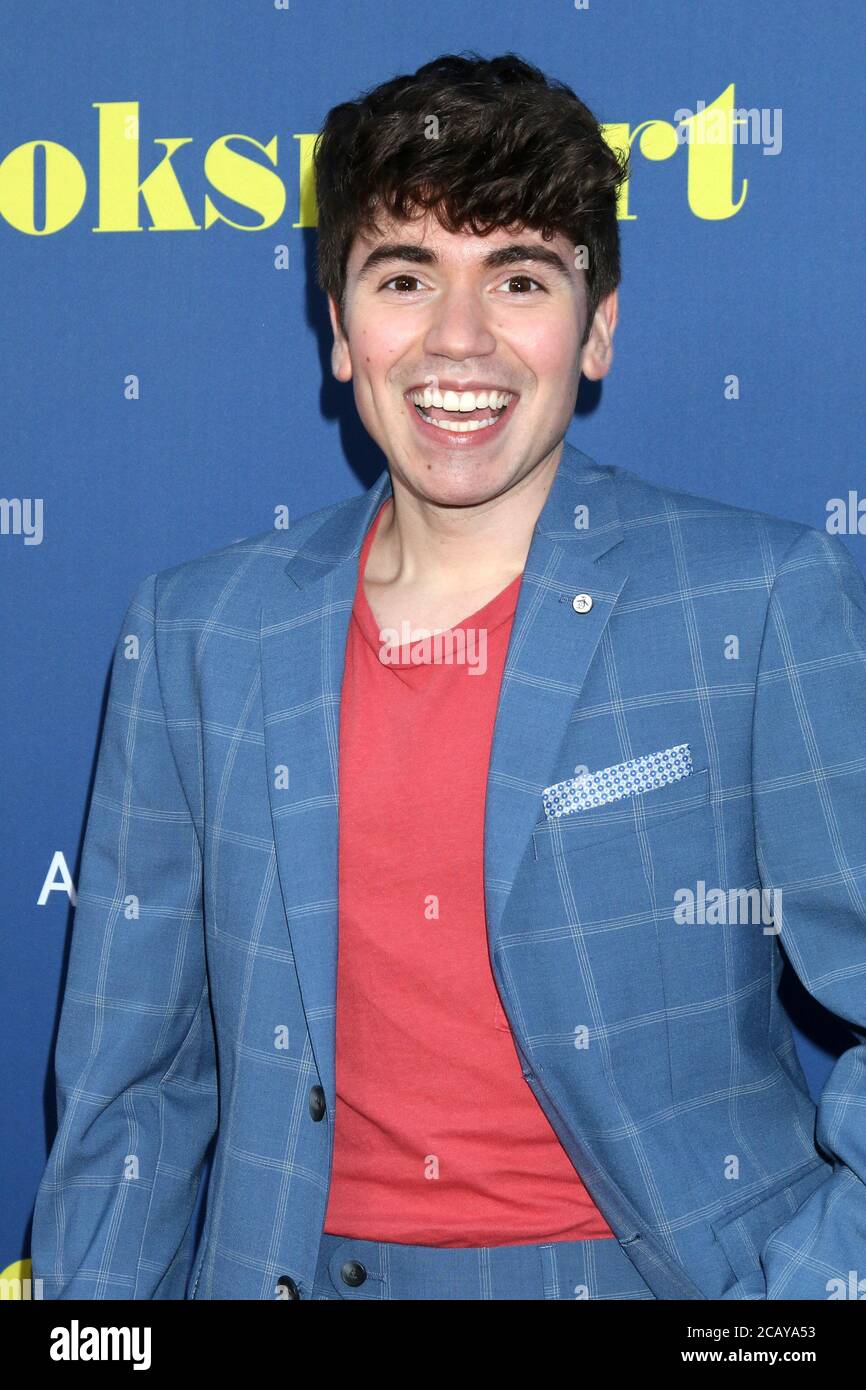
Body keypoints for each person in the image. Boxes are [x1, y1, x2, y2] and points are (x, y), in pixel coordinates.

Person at [32, 52, 866, 1301]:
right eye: (405, 276)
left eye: (518, 277)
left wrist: (793, 1306)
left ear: (595, 330)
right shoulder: (200, 631)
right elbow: (130, 1091)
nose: (457, 338)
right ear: (338, 327)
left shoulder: (750, 598)